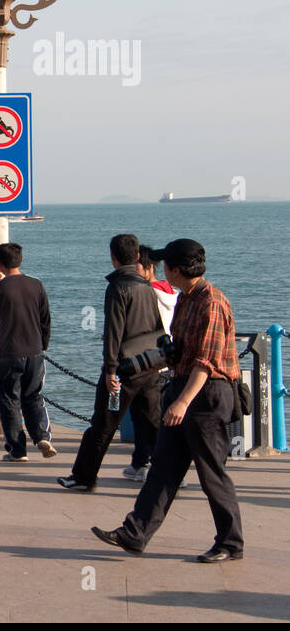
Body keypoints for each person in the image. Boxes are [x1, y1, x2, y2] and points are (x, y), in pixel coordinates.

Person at [92, 239, 244, 562]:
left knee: (211, 472)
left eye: (164, 265)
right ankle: (135, 533)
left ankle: (231, 543)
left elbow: (206, 362)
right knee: (163, 467)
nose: (159, 269)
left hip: (206, 395)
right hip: (182, 387)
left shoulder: (211, 303)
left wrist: (182, 402)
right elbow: (183, 349)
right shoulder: (186, 299)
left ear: (175, 270)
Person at [59, 234, 164, 491]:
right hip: (149, 365)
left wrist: (110, 369)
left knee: (103, 424)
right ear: (138, 256)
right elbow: (156, 327)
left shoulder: (118, 287)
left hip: (125, 368)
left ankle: (84, 476)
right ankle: (167, 474)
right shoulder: (147, 286)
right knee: (152, 423)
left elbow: (114, 332)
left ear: (113, 257)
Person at [0, 243, 56, 462]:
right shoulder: (37, 285)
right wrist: (43, 344)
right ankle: (42, 436)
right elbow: (45, 319)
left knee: (8, 402)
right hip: (35, 352)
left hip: (8, 353)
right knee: (34, 396)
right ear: (20, 260)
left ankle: (18, 449)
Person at [121, 245, 178, 481]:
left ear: (149, 268)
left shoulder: (145, 293)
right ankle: (143, 461)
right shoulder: (173, 293)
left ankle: (145, 464)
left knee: (143, 416)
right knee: (156, 416)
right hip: (167, 360)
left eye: (137, 267)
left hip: (145, 360)